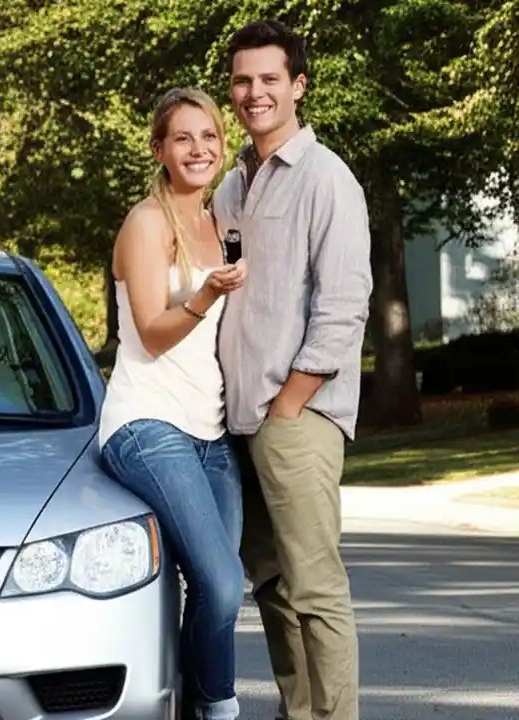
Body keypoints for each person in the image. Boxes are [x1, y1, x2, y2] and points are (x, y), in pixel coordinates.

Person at [211, 19, 373, 720]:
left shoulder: (325, 178)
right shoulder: (229, 187)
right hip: (237, 421)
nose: (255, 93)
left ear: (298, 85)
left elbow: (343, 305)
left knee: (315, 587)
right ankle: (298, 712)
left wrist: (290, 402)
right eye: (243, 81)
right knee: (273, 586)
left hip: (295, 416)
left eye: (270, 79)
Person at [97, 86, 248, 720]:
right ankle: (220, 708)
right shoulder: (147, 221)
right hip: (145, 422)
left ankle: (191, 705)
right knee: (221, 582)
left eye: (209, 136)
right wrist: (206, 295)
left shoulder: (219, 223)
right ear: (160, 149)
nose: (198, 148)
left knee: (216, 590)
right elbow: (153, 333)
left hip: (211, 431)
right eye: (183, 138)